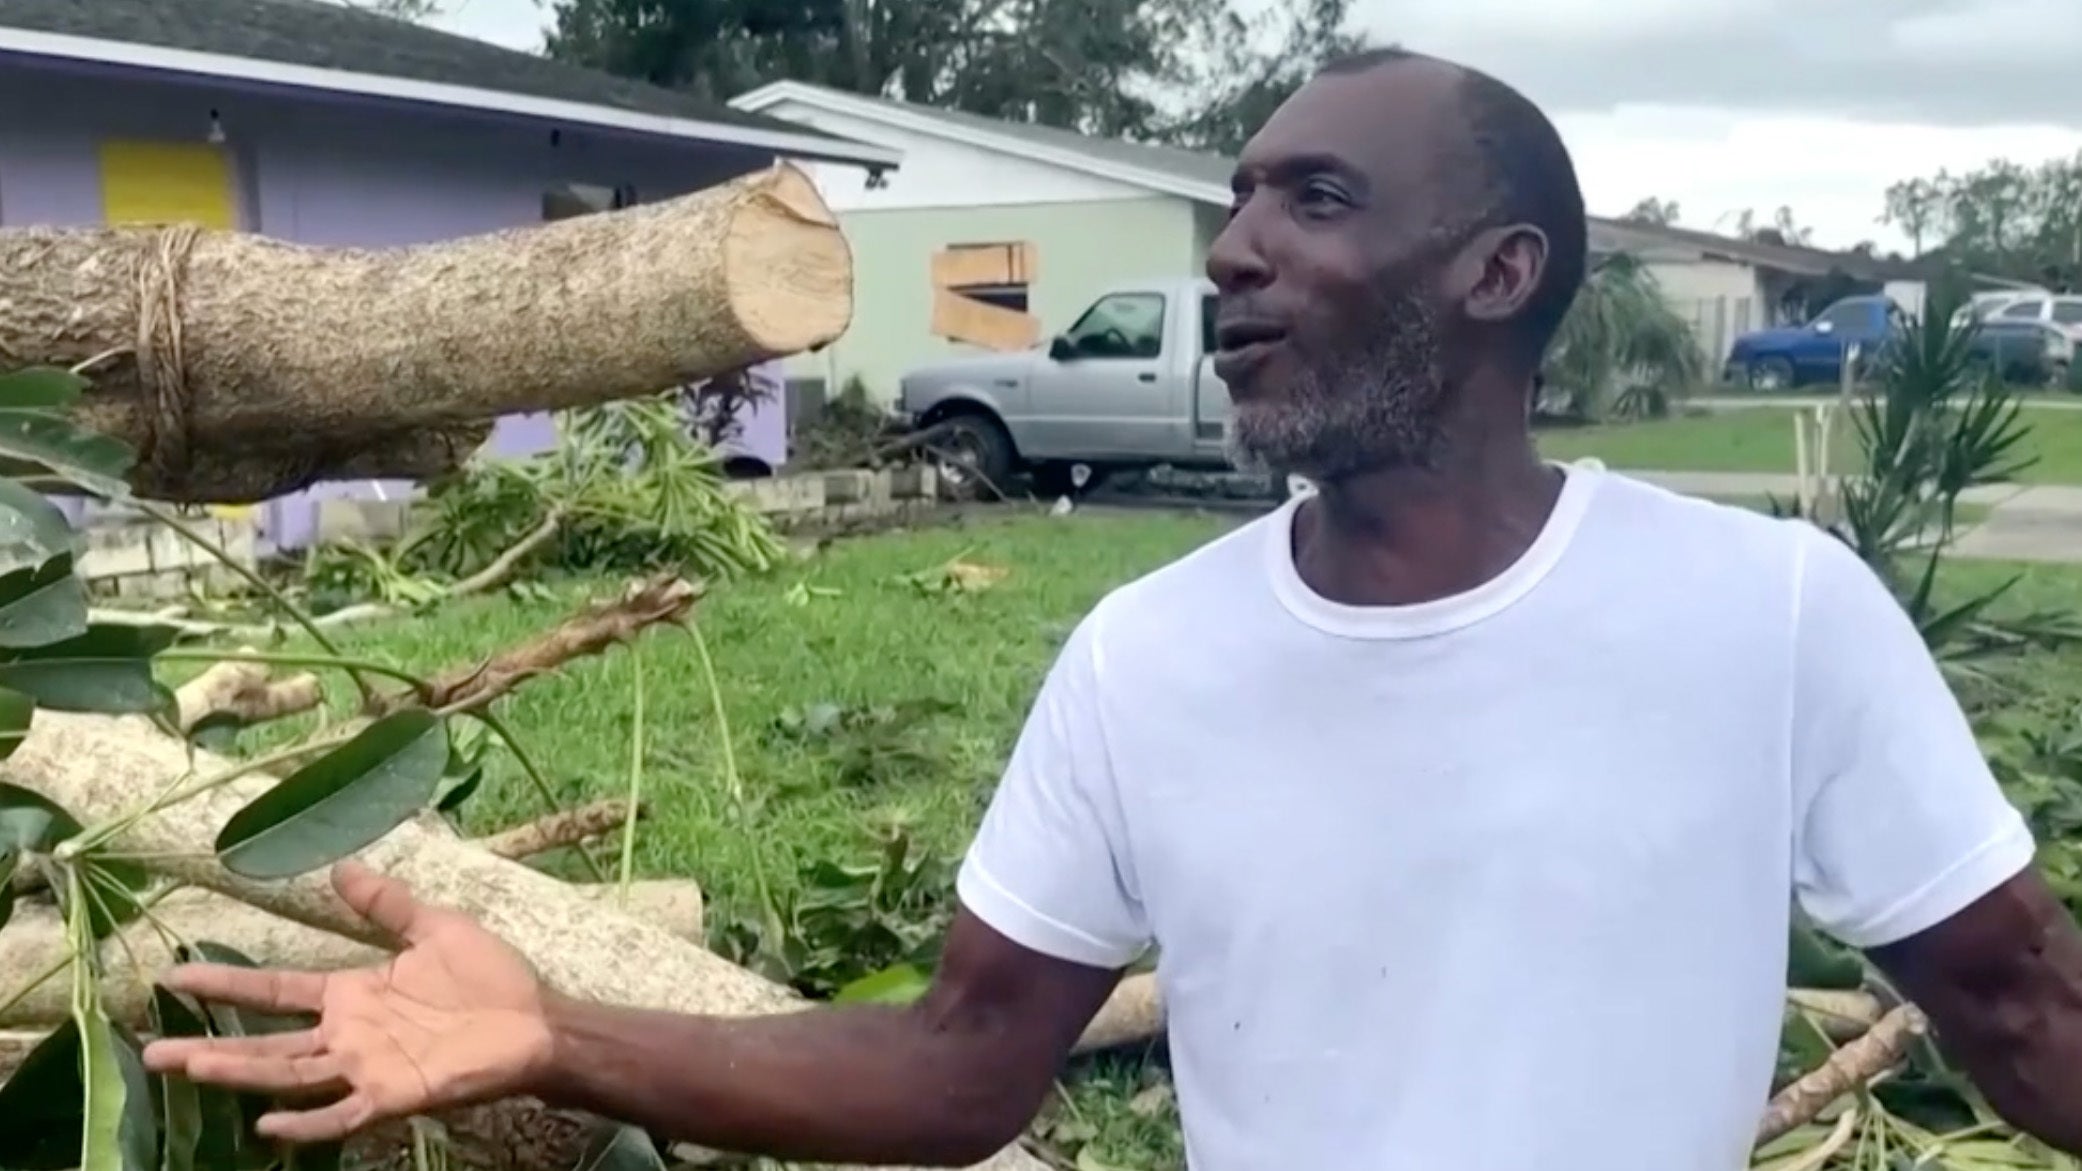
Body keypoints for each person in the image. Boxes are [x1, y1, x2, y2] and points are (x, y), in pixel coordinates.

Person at [145, 49, 2082, 1170]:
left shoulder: (1768, 616)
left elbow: (2021, 1008)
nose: (1235, 247)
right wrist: (554, 1035)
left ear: (1499, 272)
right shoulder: (1149, 657)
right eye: (1236, 198)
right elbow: (962, 1059)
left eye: (1313, 199)